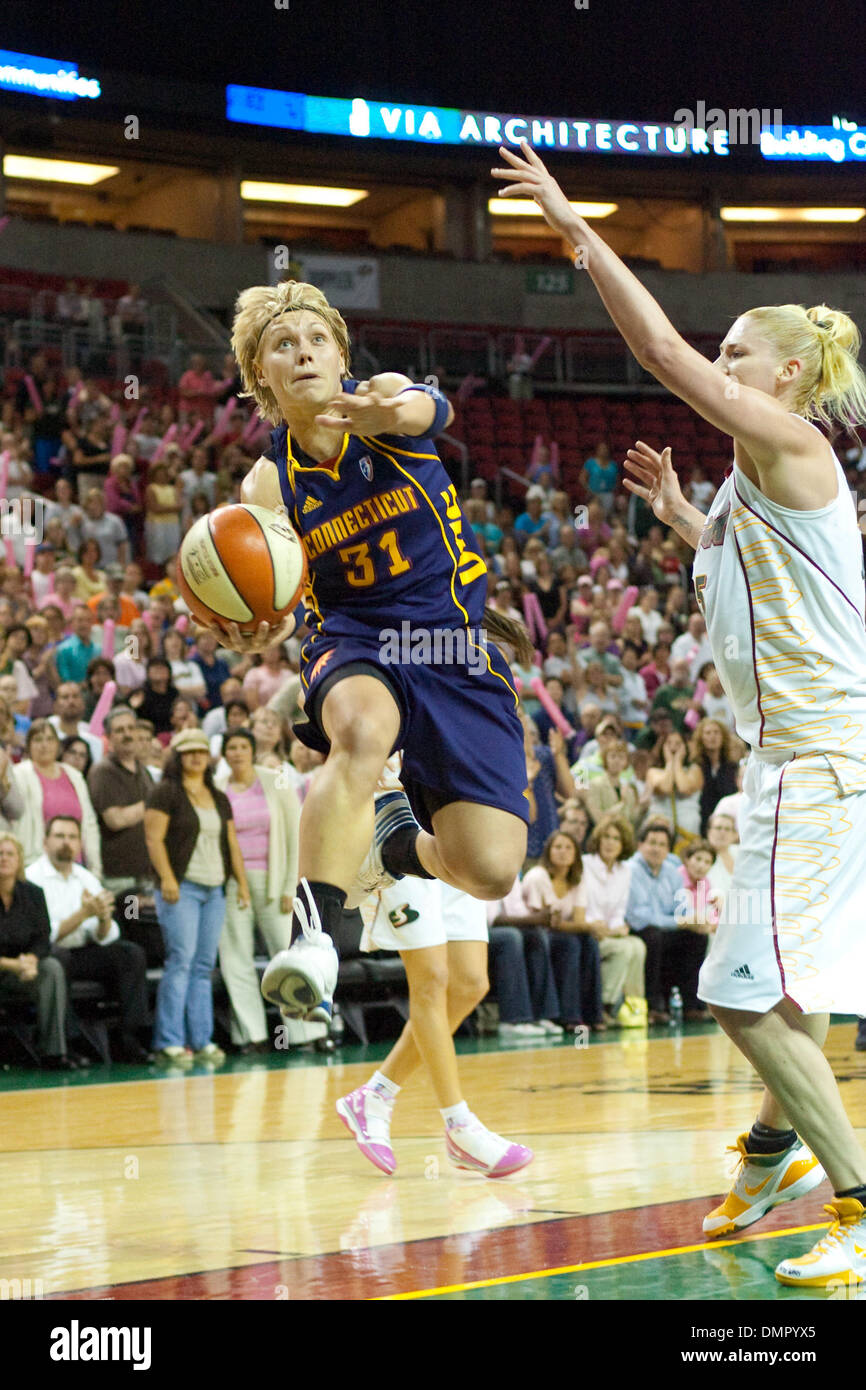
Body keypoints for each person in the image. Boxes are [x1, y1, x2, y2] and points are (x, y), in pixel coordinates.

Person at [498, 133, 866, 1280]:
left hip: (813, 758)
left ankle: (854, 1210)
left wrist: (569, 220)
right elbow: (747, 569)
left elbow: (654, 347)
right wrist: (675, 518)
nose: (720, 361)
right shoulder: (753, 481)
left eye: (735, 352)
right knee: (789, 991)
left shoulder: (793, 441)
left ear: (788, 377)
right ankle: (769, 1152)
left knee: (735, 992)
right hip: (821, 755)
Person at [217, 279, 531, 1029]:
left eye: (317, 339)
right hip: (354, 638)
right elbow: (271, 595)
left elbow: (427, 407)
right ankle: (315, 939)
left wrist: (394, 409)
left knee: (490, 869)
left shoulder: (384, 403)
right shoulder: (268, 482)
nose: (303, 353)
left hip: (449, 642)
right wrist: (257, 624)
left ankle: (397, 841)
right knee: (359, 733)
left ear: (340, 354)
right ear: (261, 374)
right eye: (283, 345)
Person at [336, 761, 533, 1177]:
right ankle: (459, 1127)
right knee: (431, 982)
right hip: (396, 823)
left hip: (456, 822)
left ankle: (375, 1094)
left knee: (470, 983)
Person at [144, 727, 250, 1066]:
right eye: (188, 752)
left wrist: (242, 883)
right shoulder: (164, 792)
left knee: (203, 966)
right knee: (181, 961)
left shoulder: (218, 796)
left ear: (208, 757)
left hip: (215, 888)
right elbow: (153, 840)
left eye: (201, 752)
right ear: (178, 757)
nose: (195, 757)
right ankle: (169, 1042)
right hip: (182, 888)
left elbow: (232, 842)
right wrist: (167, 879)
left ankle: (201, 1040)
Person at [26, 817, 151, 1063]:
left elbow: (105, 935)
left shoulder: (86, 878)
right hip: (48, 954)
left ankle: (130, 1039)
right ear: (45, 842)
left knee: (130, 953)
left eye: (72, 837)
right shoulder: (32, 879)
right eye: (60, 836)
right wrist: (83, 914)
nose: (66, 843)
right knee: (57, 959)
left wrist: (104, 919)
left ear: (80, 844)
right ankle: (71, 1043)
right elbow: (43, 936)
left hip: (83, 951)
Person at [213, 729, 299, 1051]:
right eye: (231, 747)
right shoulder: (216, 786)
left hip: (274, 879)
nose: (237, 753)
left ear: (253, 750)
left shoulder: (275, 779)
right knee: (236, 959)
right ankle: (252, 1036)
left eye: (243, 746)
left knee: (288, 956)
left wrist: (291, 883)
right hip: (233, 882)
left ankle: (306, 1034)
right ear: (223, 754)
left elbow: (295, 831)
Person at [0, 832, 75, 1069]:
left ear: (20, 859)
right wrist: (15, 965)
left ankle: (54, 1053)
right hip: (7, 968)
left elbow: (43, 938)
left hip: (25, 969)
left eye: (9, 853)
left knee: (52, 967)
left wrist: (31, 960)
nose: (4, 858)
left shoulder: (33, 893)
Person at [521, 829, 605, 1031]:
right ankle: (569, 1016)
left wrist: (587, 927)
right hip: (536, 934)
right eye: (557, 847)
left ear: (576, 854)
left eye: (568, 848)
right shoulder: (537, 876)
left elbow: (577, 920)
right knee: (571, 943)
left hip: (562, 932)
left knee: (590, 943)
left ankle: (593, 1015)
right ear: (548, 851)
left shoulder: (577, 879)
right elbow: (544, 921)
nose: (563, 852)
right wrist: (592, 926)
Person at [13, 720, 102, 874]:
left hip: (76, 865)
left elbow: (89, 822)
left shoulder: (74, 776)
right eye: (38, 739)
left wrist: (95, 866)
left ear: (58, 746)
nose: (44, 745)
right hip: (36, 863)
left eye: (49, 739)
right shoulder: (19, 774)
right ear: (28, 746)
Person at [581, 817, 645, 1025]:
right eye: (606, 837)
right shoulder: (584, 864)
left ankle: (633, 1006)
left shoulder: (624, 871)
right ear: (598, 840)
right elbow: (581, 905)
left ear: (623, 844)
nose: (610, 843)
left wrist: (619, 927)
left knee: (637, 946)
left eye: (616, 839)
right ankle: (604, 1006)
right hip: (588, 930)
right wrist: (602, 928)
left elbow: (619, 910)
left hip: (609, 931)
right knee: (623, 950)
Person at [87, 706, 155, 898]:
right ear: (108, 737)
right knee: (129, 923)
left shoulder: (143, 771)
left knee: (144, 926)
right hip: (121, 878)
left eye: (130, 728)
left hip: (146, 873)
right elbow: (115, 820)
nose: (127, 734)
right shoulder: (103, 772)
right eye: (119, 730)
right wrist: (154, 802)